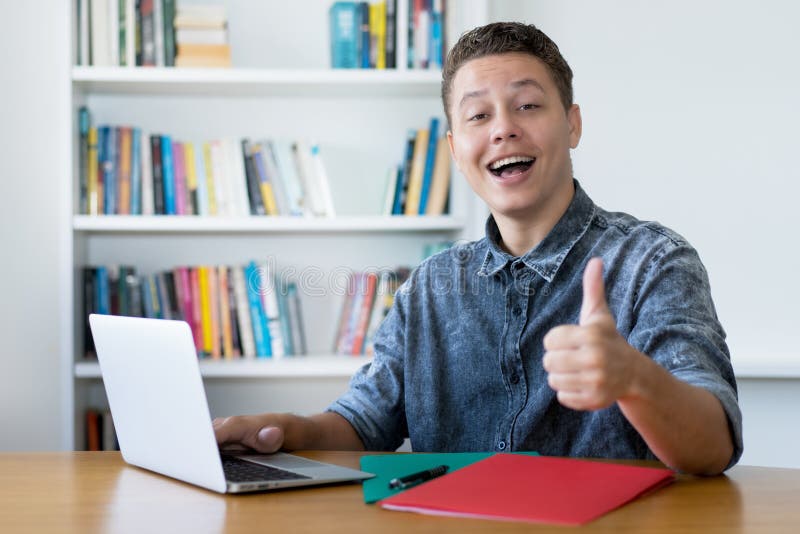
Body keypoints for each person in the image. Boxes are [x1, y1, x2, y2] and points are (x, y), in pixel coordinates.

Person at [214, 22, 742, 475]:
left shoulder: (653, 261)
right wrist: (288, 430)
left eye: (528, 105)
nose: (504, 129)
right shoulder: (428, 286)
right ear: (453, 149)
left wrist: (633, 378)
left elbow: (712, 446)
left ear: (573, 124)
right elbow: (362, 425)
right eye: (478, 116)